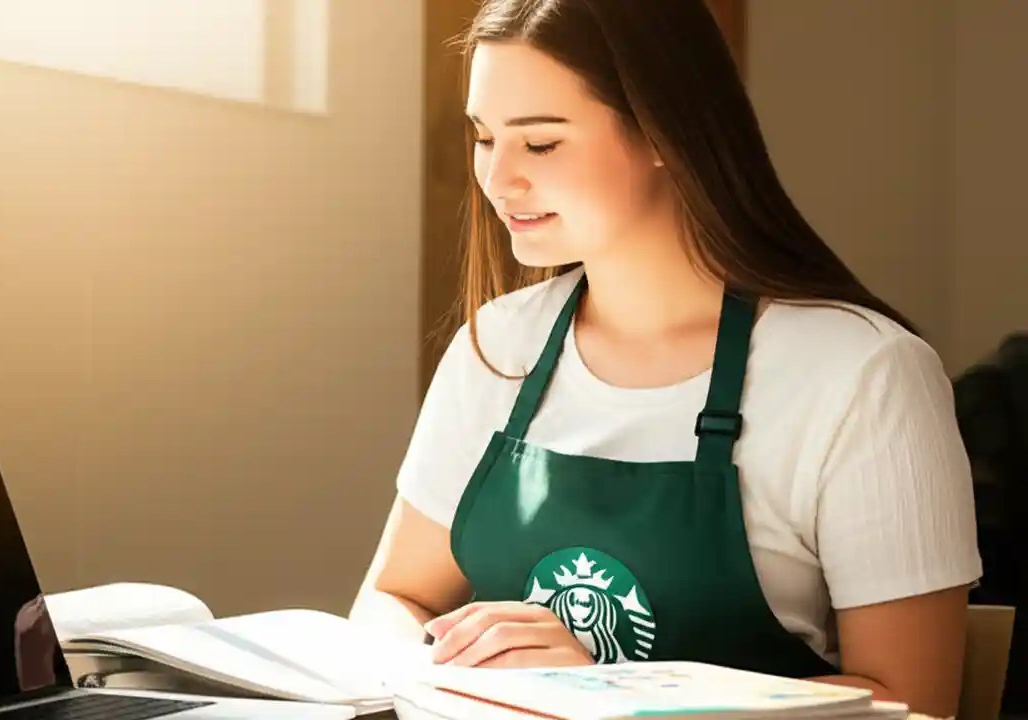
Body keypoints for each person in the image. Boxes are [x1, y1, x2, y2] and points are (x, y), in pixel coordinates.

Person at [347, 1, 981, 717]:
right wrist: (433, 665)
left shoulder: (863, 375)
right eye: (484, 138)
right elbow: (397, 596)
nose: (498, 179)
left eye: (541, 144)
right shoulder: (495, 347)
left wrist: (596, 692)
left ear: (661, 130)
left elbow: (916, 703)